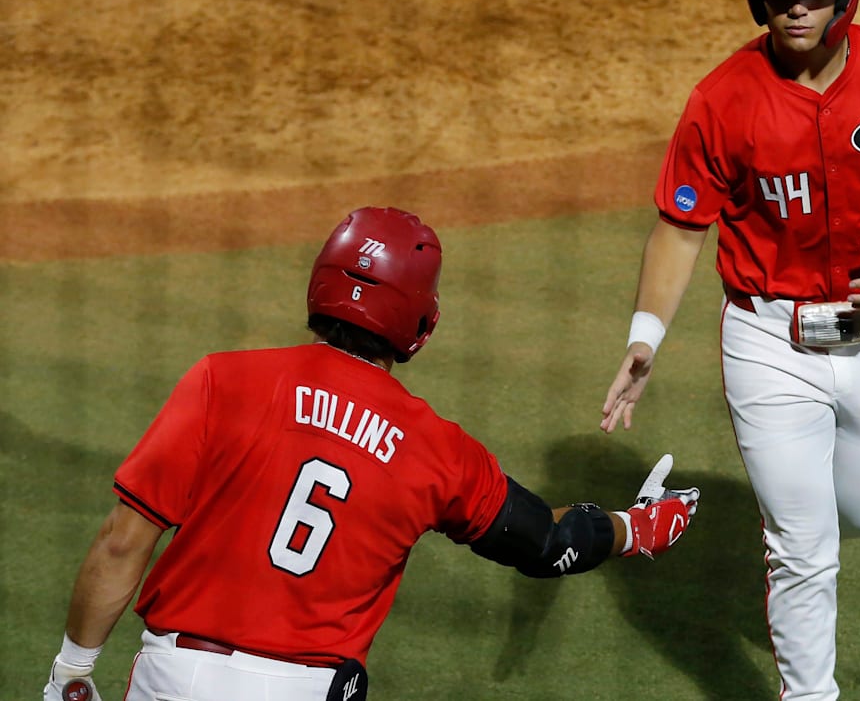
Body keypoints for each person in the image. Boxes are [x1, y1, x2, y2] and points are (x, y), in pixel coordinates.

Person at [44, 206, 700, 701]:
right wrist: (636, 528)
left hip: (175, 677)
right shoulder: (437, 449)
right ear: (421, 321)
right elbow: (547, 541)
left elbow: (122, 542)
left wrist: (72, 671)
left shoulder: (223, 380)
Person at [600, 0, 860, 700]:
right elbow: (681, 225)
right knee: (804, 549)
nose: (796, 8)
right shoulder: (723, 100)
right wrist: (645, 337)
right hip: (768, 344)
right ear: (755, 0)